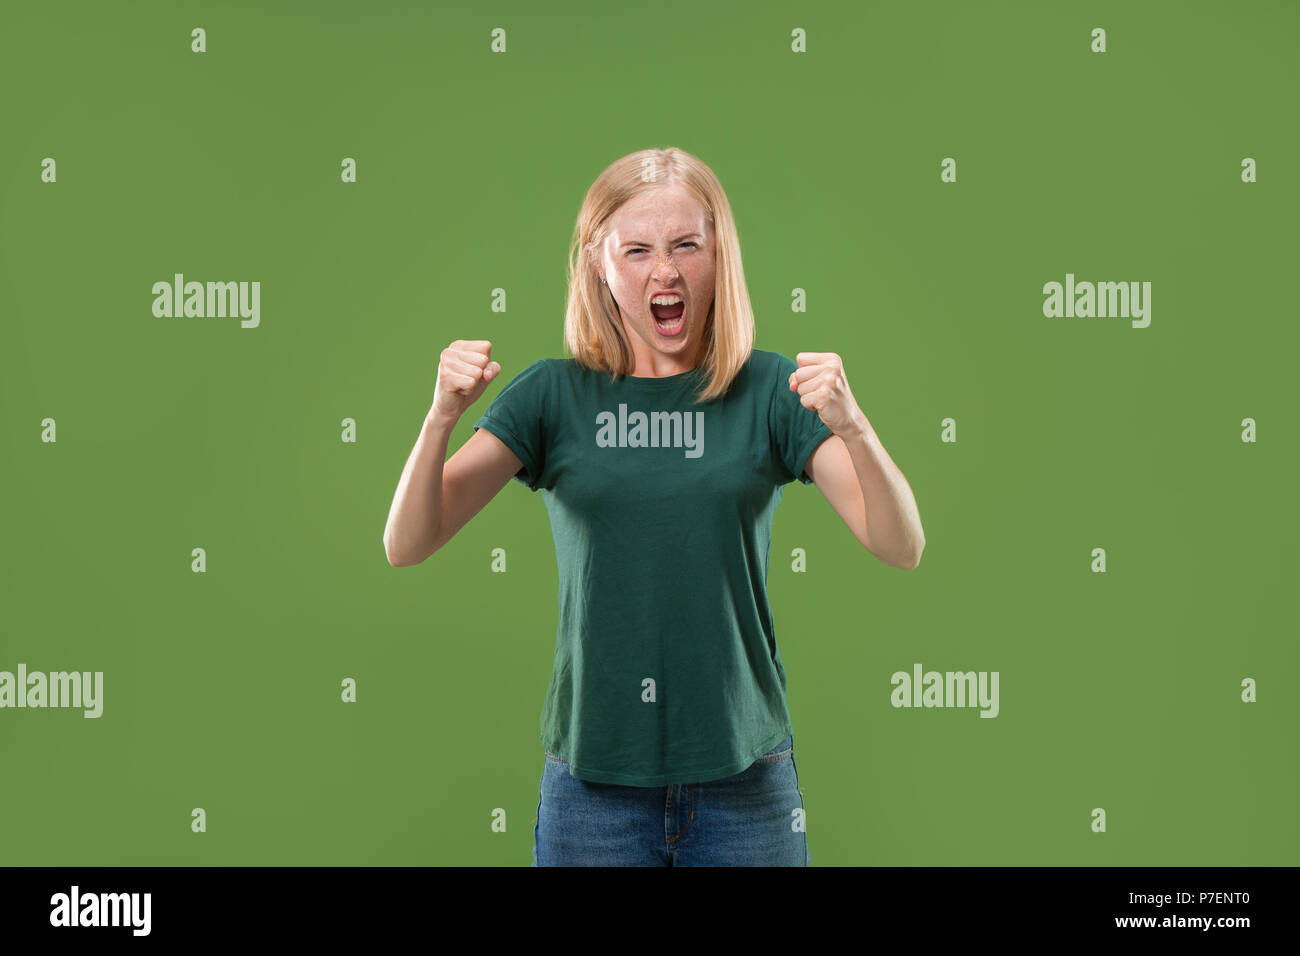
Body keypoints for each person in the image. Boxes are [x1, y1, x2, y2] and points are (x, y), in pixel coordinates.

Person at [382, 147, 926, 866]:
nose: (663, 272)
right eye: (636, 250)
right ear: (598, 263)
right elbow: (409, 542)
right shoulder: (552, 396)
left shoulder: (768, 390)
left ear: (718, 256)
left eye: (686, 246)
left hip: (747, 786)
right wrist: (439, 418)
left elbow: (900, 543)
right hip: (592, 793)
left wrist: (855, 427)